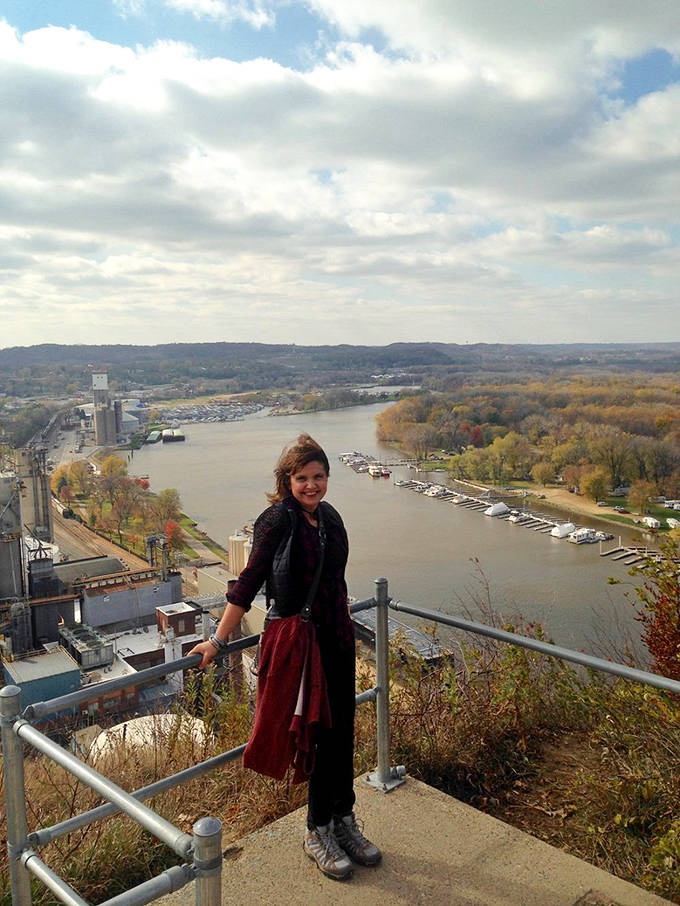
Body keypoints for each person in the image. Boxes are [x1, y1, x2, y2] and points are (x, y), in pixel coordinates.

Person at [189, 434, 381, 881]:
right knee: (314, 734)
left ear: (328, 478)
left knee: (342, 734)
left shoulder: (330, 518)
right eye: (302, 478)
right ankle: (317, 831)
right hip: (300, 645)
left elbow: (336, 579)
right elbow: (249, 579)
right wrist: (217, 640)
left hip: (337, 640)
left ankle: (343, 820)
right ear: (287, 480)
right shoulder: (278, 520)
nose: (311, 486)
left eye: (318, 477)